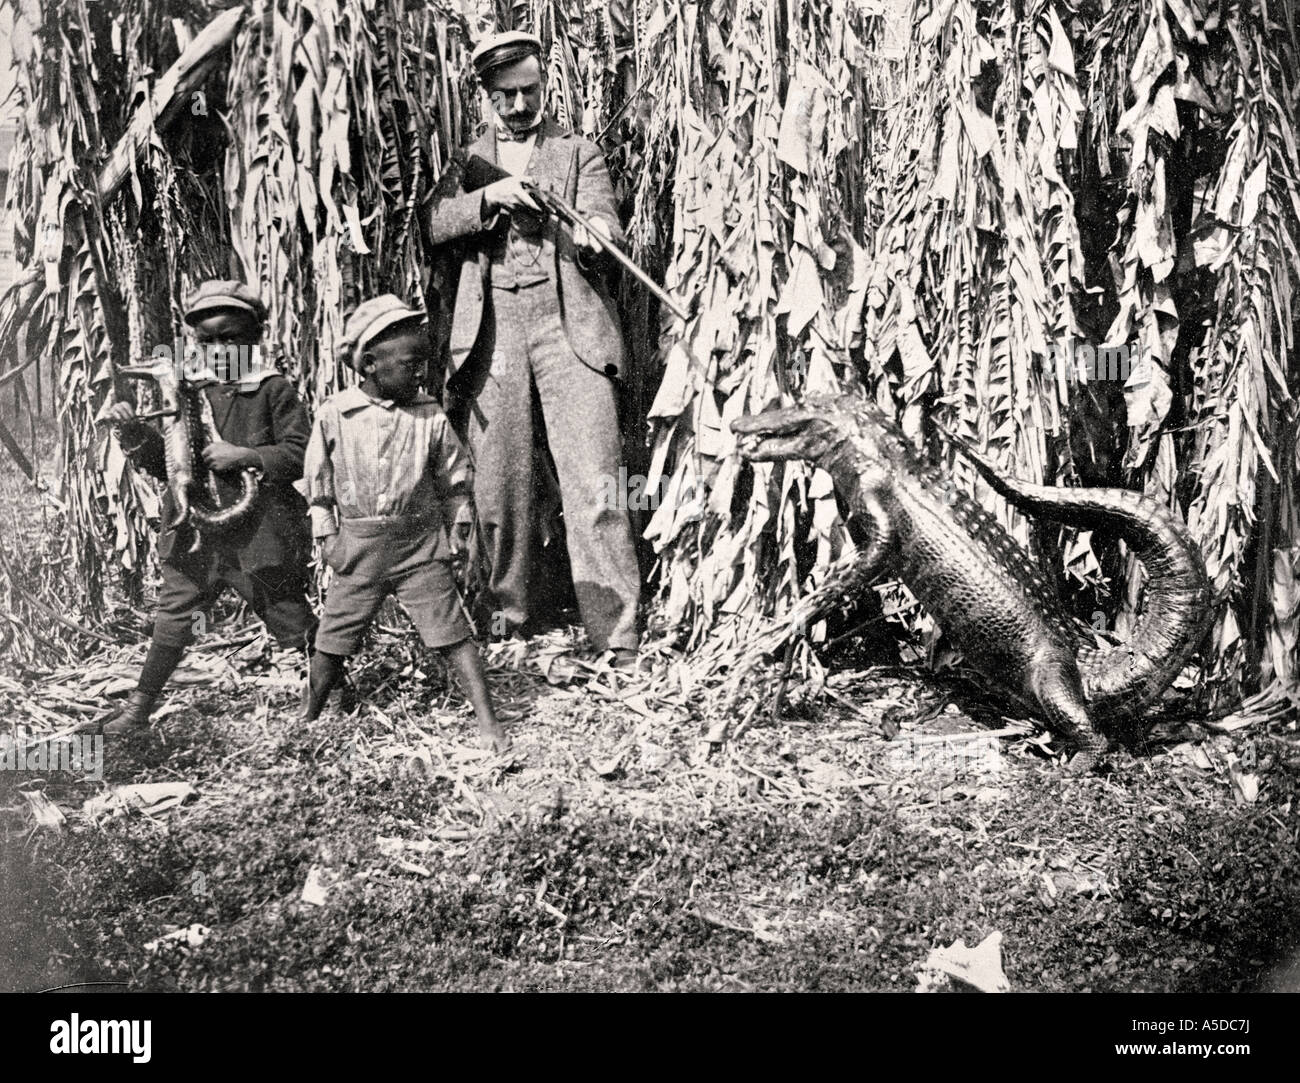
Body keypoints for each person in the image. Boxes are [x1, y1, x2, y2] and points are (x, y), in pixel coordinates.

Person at [421, 29, 643, 670]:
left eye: (530, 91)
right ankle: (509, 622)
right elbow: (433, 224)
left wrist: (598, 231)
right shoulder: (468, 161)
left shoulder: (577, 153)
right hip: (493, 335)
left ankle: (618, 637)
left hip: (568, 327)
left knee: (599, 483)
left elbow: (604, 215)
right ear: (485, 97)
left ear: (545, 86)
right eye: (506, 96)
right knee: (500, 489)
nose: (520, 106)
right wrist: (490, 198)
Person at [103, 279, 315, 734]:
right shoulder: (186, 394)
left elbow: (302, 453)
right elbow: (170, 467)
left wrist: (248, 457)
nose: (219, 349)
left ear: (255, 338)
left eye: (232, 338)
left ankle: (330, 693)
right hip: (194, 533)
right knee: (174, 619)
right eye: (207, 341)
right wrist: (134, 434)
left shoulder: (272, 390)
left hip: (257, 537)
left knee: (286, 612)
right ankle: (139, 711)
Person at [301, 295, 509, 752]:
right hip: (358, 546)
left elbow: (455, 480)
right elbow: (318, 484)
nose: (421, 373)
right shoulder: (335, 414)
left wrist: (459, 531)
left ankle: (489, 721)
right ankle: (309, 719)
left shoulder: (429, 415)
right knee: (333, 639)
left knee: (452, 632)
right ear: (371, 364)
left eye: (424, 364)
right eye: (412, 363)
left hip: (419, 546)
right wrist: (329, 538)